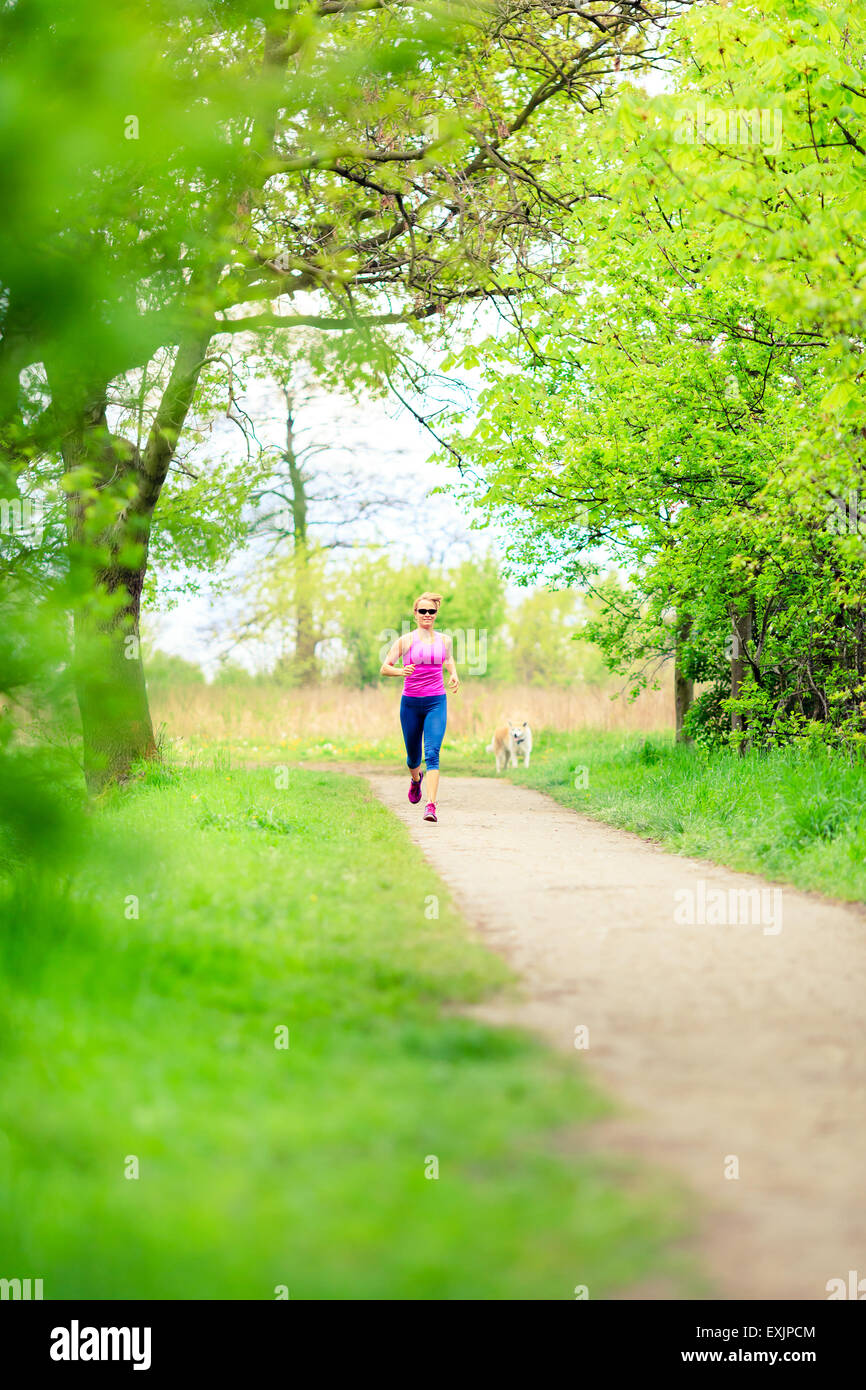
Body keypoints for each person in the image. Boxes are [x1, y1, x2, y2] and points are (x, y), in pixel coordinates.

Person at [380, 591, 459, 823]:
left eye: (431, 611)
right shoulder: (405, 641)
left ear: (436, 614)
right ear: (415, 614)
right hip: (411, 704)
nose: (427, 615)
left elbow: (448, 658)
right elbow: (385, 667)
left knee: (432, 753)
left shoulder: (445, 640)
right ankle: (416, 780)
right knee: (413, 758)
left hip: (436, 701)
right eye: (422, 611)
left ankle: (431, 805)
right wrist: (399, 671)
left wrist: (453, 673)